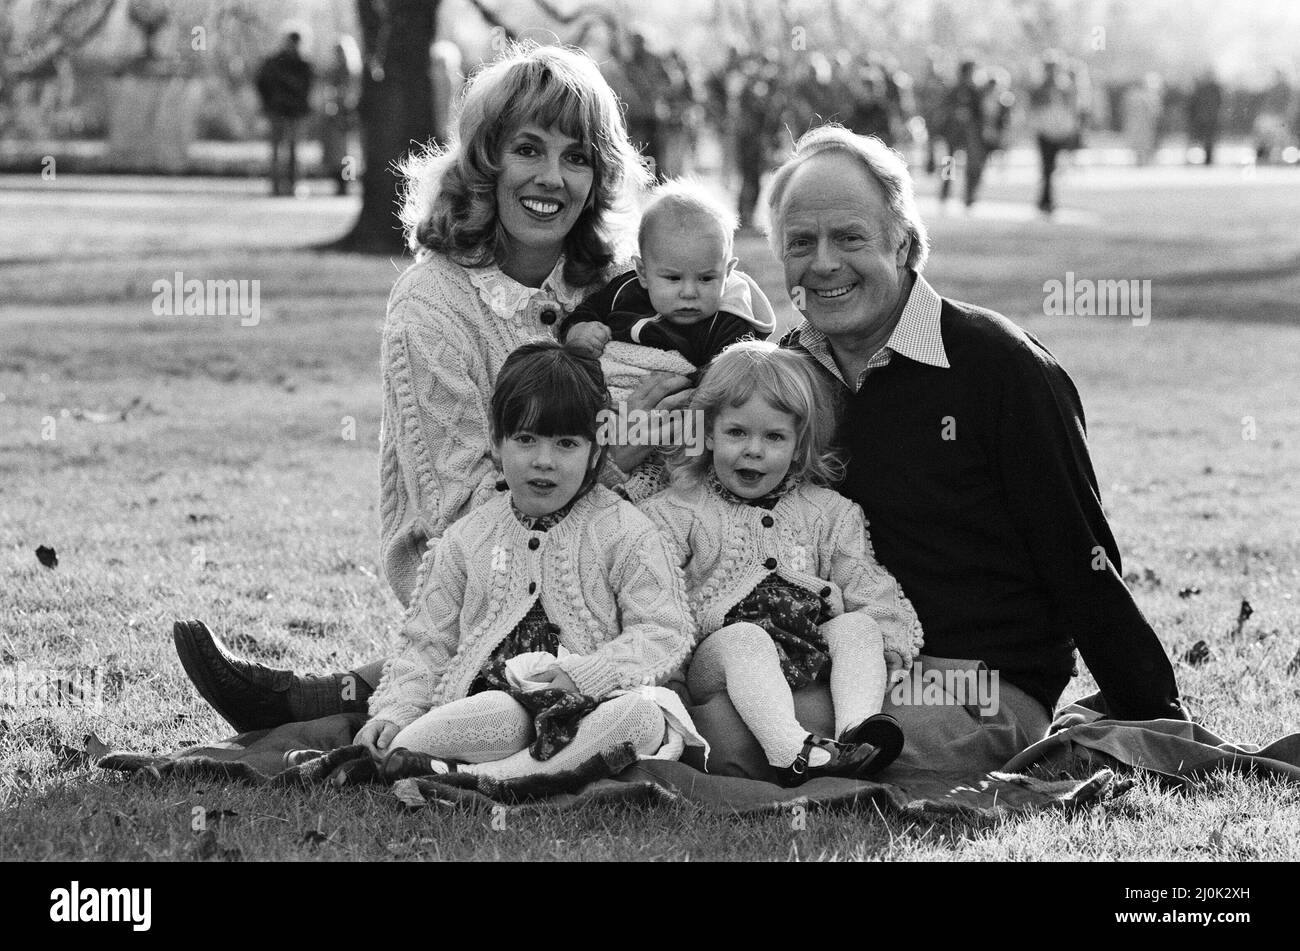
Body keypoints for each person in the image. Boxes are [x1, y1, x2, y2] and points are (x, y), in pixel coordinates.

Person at [173, 43, 774, 734]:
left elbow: (733, 382)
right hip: (482, 559)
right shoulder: (433, 305)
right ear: (486, 158)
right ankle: (335, 699)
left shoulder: (624, 285)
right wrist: (620, 453)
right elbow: (466, 508)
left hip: (657, 562)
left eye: (577, 157)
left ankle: (331, 695)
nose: (552, 177)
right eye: (529, 148)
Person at [687, 124, 1187, 782]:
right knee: (681, 718)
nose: (824, 263)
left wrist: (1152, 710)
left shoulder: (1001, 366)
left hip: (974, 683)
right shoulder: (786, 378)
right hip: (828, 662)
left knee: (719, 737)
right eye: (801, 243)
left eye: (850, 237)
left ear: (902, 239)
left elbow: (1079, 552)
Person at [356, 341, 694, 777]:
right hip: (494, 706)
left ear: (596, 451)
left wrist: (588, 675)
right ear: (497, 444)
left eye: (567, 443)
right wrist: (395, 711)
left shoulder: (628, 531)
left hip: (590, 706)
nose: (544, 461)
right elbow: (427, 643)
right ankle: (422, 755)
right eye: (526, 439)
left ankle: (481, 779)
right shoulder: (467, 538)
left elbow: (661, 631)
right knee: (496, 714)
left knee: (642, 719)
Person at [642, 341, 914, 785]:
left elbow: (866, 583)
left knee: (858, 626)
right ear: (708, 433)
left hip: (810, 654)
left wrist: (888, 641)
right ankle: (792, 752)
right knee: (746, 640)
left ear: (798, 444)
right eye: (736, 433)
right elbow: (657, 604)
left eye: (774, 437)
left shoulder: (830, 512)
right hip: (720, 659)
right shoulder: (677, 512)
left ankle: (857, 735)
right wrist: (668, 679)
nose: (754, 450)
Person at [560, 180, 773, 367]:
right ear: (642, 273)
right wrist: (579, 330)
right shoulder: (624, 290)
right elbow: (585, 312)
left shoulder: (726, 326)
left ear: (726, 275)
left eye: (706, 278)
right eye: (673, 278)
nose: (689, 293)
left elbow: (727, 383)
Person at [255, 28, 314, 197]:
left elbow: (309, 88)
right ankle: (276, 187)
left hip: (295, 112)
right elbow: (261, 83)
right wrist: (268, 103)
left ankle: (293, 185)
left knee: (294, 150)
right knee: (277, 150)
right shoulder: (274, 63)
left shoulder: (304, 64)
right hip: (278, 110)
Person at [1027, 51, 1082, 215]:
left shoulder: (1065, 88)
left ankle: (1047, 200)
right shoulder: (1040, 88)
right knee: (1047, 167)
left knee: (1053, 168)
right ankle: (1046, 200)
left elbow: (1074, 106)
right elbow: (1034, 109)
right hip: (1045, 132)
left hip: (1060, 131)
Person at [937, 59, 987, 208]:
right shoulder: (954, 89)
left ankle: (969, 195)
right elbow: (945, 108)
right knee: (949, 163)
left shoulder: (977, 91)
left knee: (972, 165)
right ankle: (945, 192)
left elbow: (981, 113)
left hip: (971, 133)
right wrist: (955, 114)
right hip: (953, 132)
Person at [1186, 69, 1223, 166]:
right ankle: (1202, 159)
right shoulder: (1211, 89)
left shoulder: (1205, 88)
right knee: (1203, 140)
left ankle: (1205, 159)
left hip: (1206, 118)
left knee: (1204, 140)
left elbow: (1193, 103)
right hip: (1206, 118)